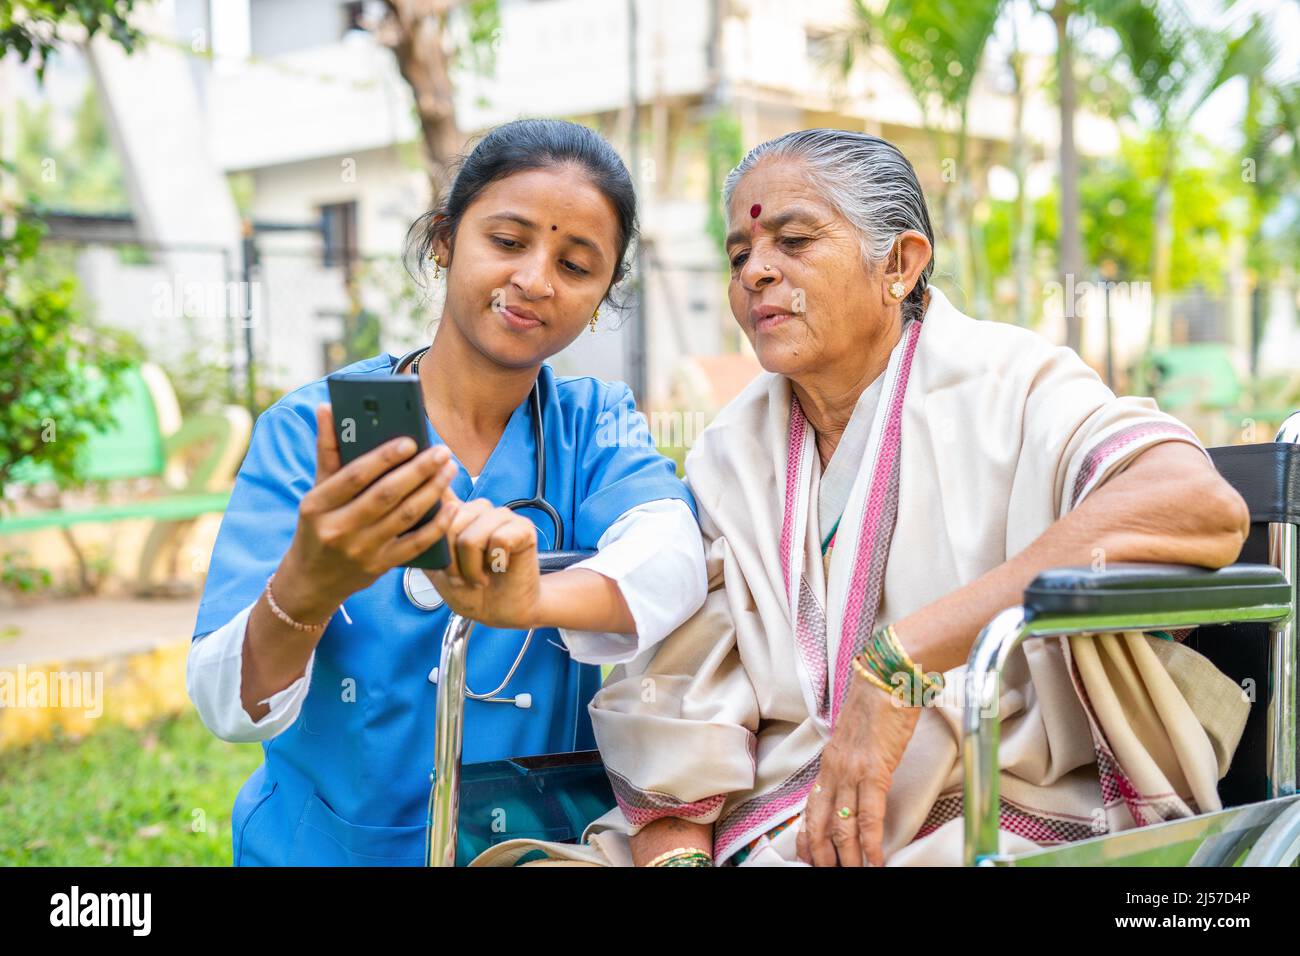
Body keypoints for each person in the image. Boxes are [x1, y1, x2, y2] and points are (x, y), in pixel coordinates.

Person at [473, 128, 1253, 868]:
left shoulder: (1009, 384)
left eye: (795, 240)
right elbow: (678, 692)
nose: (754, 272)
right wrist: (677, 852)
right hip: (765, 820)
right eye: (740, 251)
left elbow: (1194, 504)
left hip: (994, 800)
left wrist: (902, 660)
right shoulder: (731, 452)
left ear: (902, 264)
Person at [186, 118, 707, 866]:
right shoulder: (316, 428)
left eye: (576, 263)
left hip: (525, 847)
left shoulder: (594, 423)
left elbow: (673, 556)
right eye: (507, 241)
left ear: (600, 296)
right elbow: (223, 705)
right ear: (443, 241)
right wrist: (308, 586)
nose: (535, 279)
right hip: (325, 848)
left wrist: (528, 601)